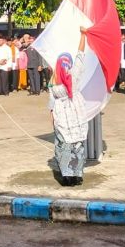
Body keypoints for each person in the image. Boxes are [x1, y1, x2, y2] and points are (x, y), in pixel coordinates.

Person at [48, 28, 90, 186]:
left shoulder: (53, 79)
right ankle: (77, 175)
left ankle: (66, 176)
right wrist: (83, 35)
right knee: (77, 144)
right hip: (77, 112)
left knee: (63, 144)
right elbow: (80, 54)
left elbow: (51, 101)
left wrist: (51, 116)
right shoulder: (74, 74)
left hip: (61, 114)